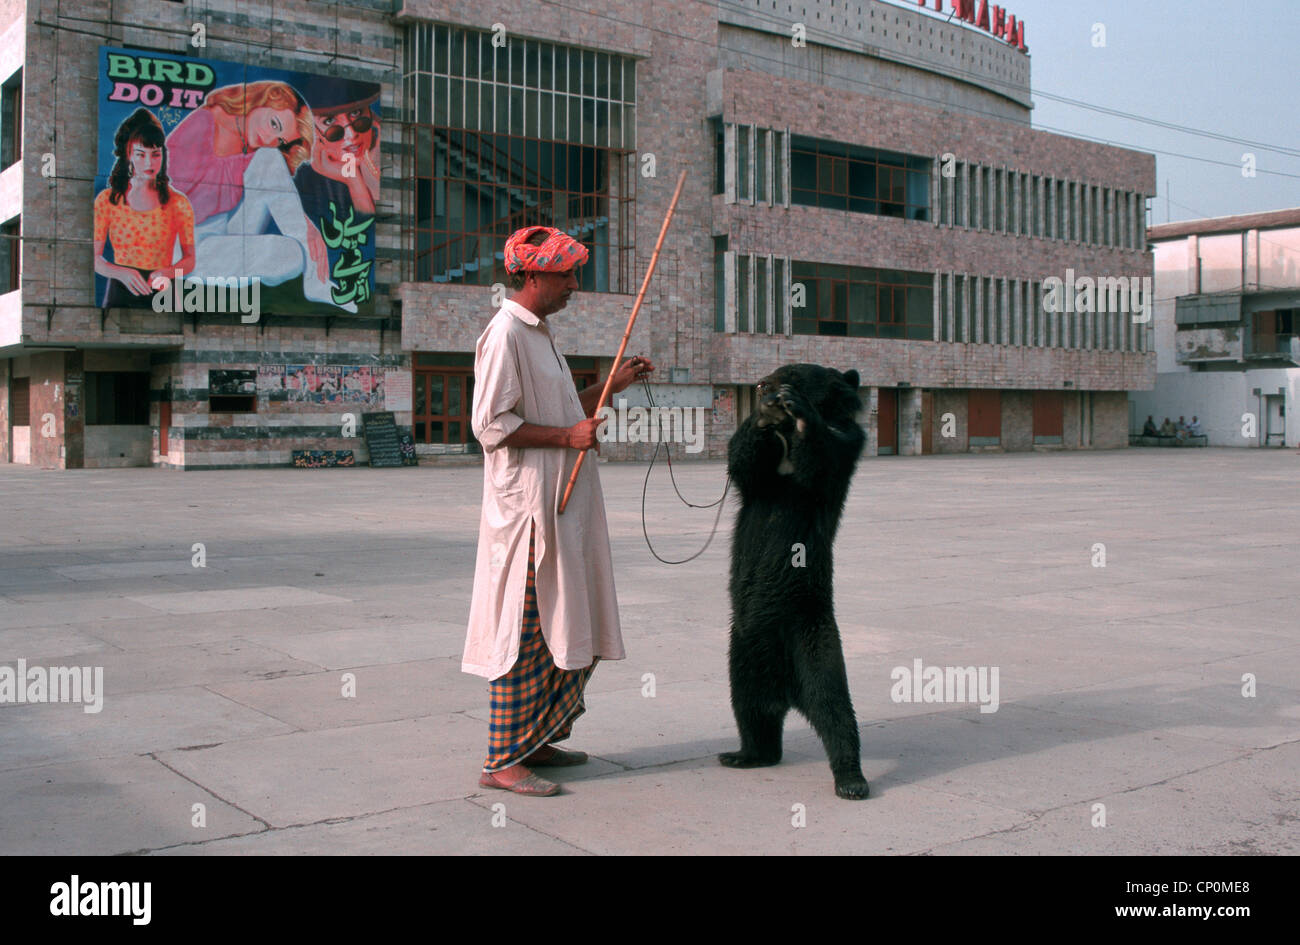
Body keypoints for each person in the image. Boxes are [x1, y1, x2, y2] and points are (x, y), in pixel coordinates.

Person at [463, 225, 654, 797]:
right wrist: (568, 438)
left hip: (564, 507)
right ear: (532, 274)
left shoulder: (542, 334)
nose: (575, 284)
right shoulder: (505, 334)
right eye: (566, 274)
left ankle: (536, 738)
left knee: (566, 623)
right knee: (526, 632)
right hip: (528, 515)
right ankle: (502, 761)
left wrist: (610, 385)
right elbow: (491, 426)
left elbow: (568, 406)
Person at [165, 81, 345, 310]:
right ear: (261, 100)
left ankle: (315, 280)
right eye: (274, 124)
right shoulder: (205, 121)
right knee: (269, 158)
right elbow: (170, 194)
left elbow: (272, 187)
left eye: (280, 141)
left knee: (292, 254)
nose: (270, 139)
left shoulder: (252, 149)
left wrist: (305, 229)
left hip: (222, 238)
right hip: (184, 249)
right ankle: (312, 270)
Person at [93, 108, 196, 308]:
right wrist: (121, 272)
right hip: (120, 289)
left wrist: (168, 272)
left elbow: (190, 260)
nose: (150, 162)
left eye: (156, 155)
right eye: (141, 155)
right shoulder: (108, 200)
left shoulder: (178, 202)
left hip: (163, 291)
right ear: (128, 155)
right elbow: (95, 258)